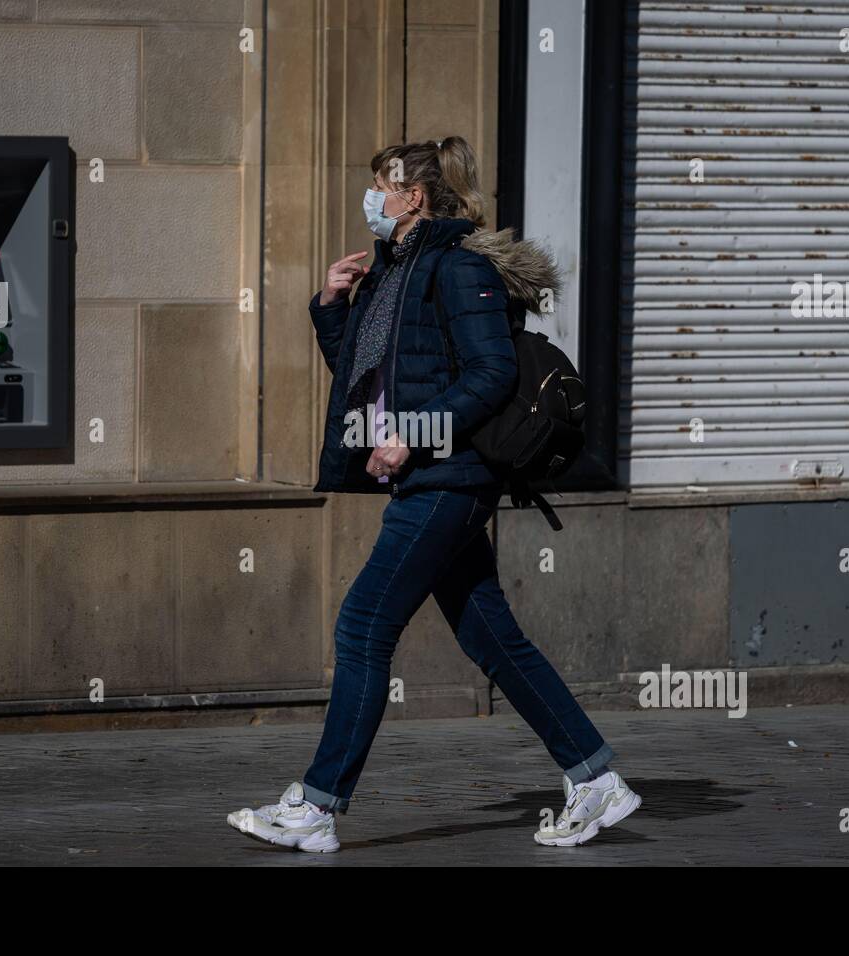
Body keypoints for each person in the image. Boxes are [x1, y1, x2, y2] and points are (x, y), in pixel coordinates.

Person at [227, 136, 640, 852]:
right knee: (492, 638)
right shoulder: (396, 272)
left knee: (362, 626)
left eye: (379, 188)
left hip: (449, 481)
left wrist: (415, 435)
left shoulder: (456, 268)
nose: (370, 201)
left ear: (413, 197)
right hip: (421, 479)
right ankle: (595, 778)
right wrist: (330, 306)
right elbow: (373, 377)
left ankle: (318, 807)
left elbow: (491, 375)